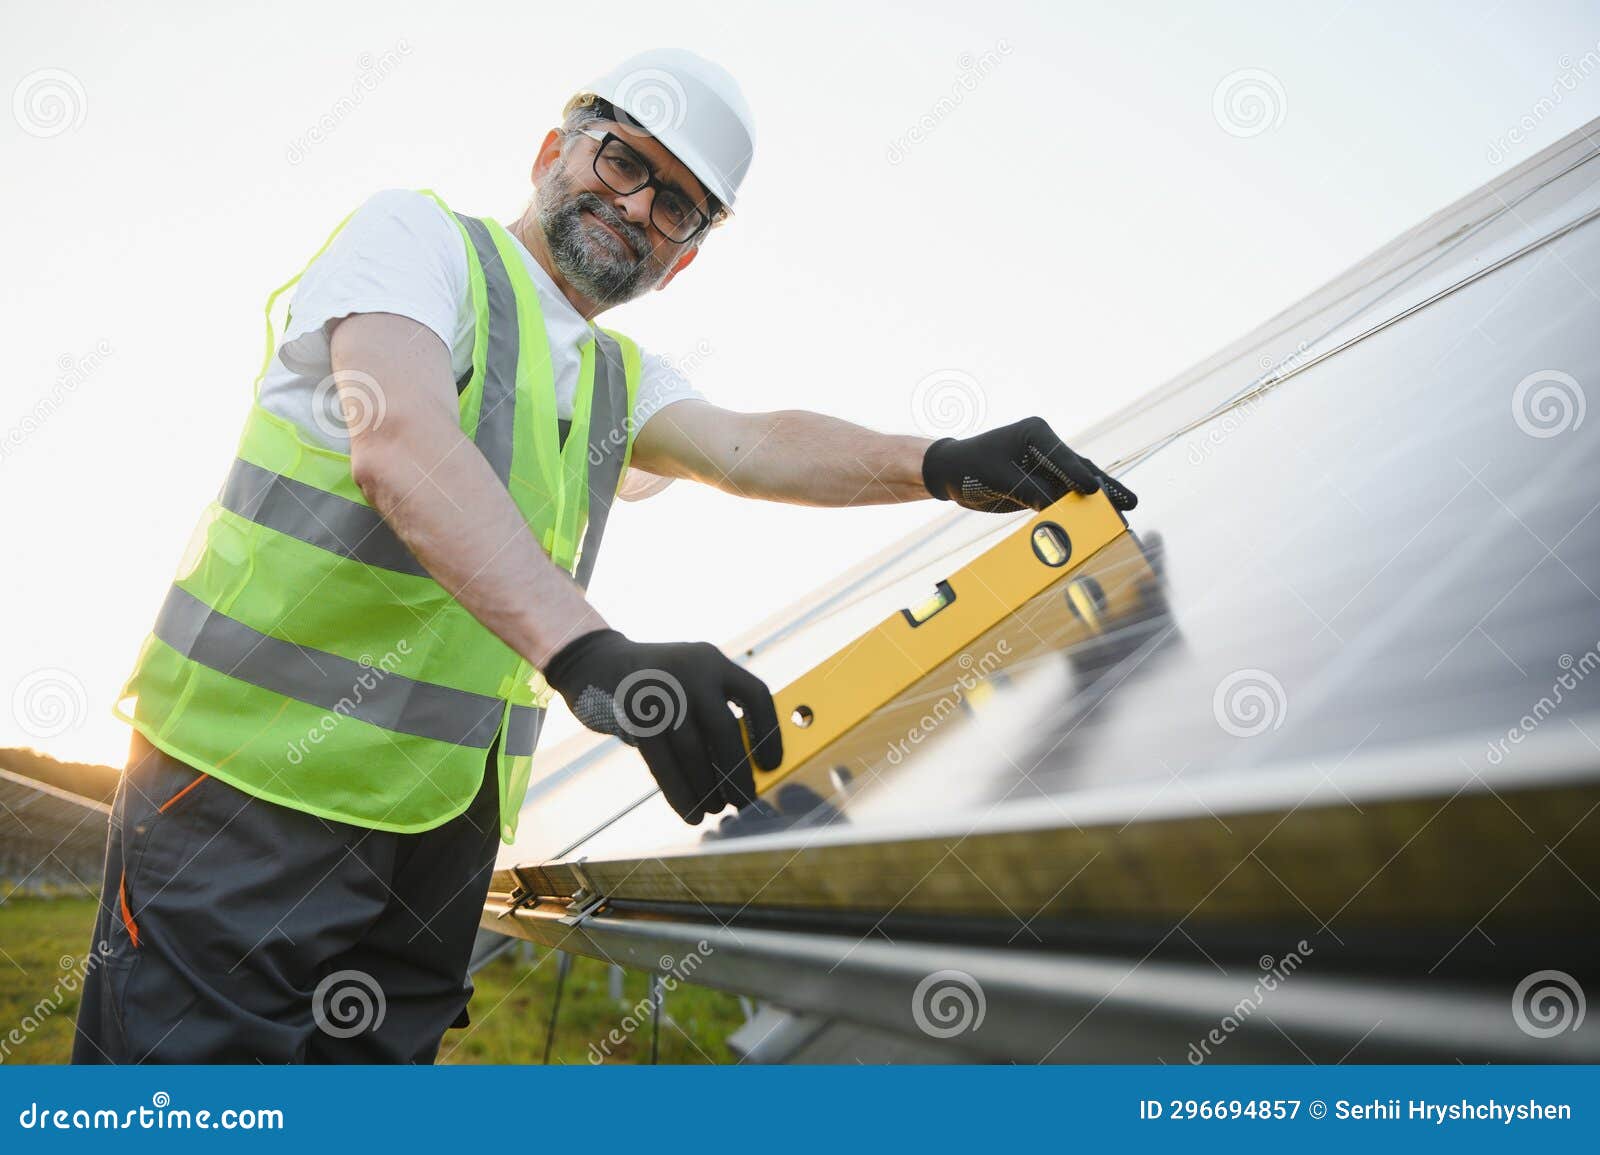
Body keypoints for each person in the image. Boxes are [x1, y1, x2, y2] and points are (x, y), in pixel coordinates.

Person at [73, 48, 1136, 1065]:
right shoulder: (417, 243)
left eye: (675, 204)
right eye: (623, 161)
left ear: (683, 260)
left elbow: (751, 444)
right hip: (247, 793)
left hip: (439, 830)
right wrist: (591, 656)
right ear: (553, 150)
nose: (635, 205)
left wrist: (942, 460)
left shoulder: (618, 377)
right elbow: (397, 442)